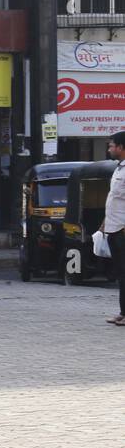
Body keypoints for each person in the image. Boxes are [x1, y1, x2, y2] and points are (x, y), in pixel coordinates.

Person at [102, 131, 125, 327]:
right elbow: (114, 199)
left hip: (123, 230)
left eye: (112, 146)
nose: (109, 149)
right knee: (121, 273)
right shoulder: (119, 169)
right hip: (114, 227)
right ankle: (123, 312)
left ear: (121, 147)